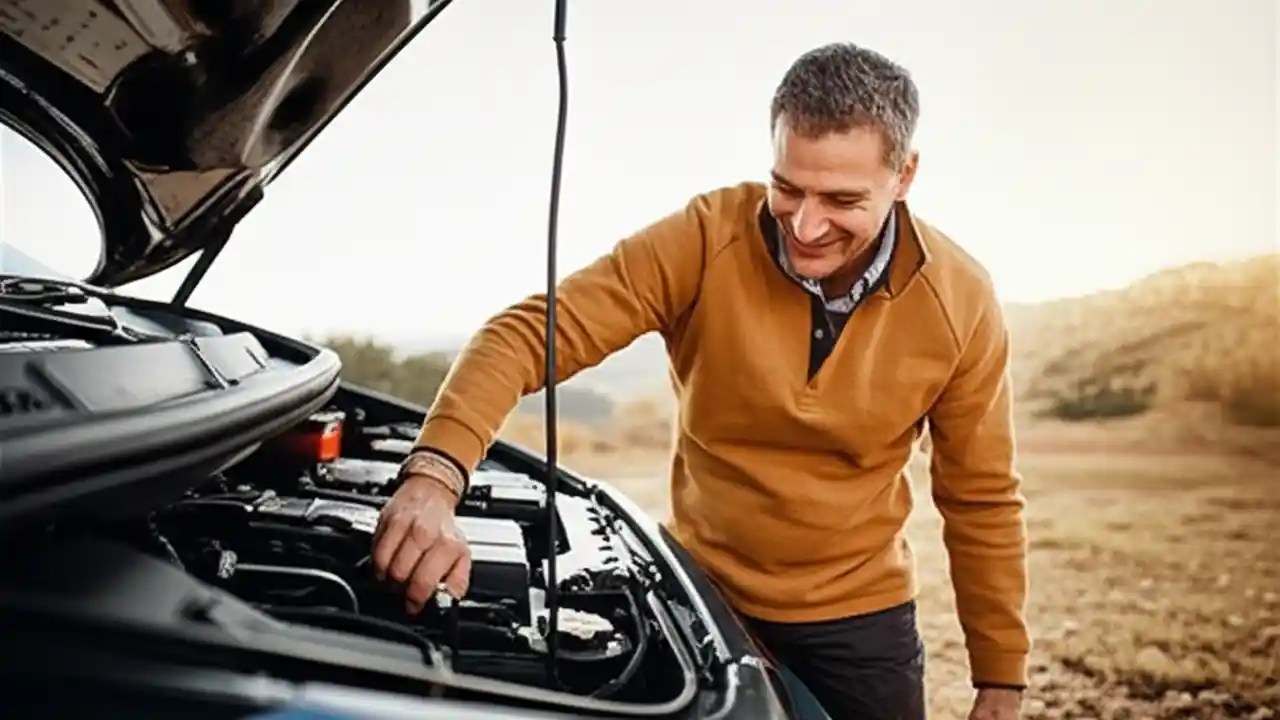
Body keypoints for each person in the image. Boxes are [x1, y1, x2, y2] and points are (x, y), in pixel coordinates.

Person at [370, 42, 1030, 720]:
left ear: (905, 174)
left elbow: (980, 497)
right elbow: (523, 335)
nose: (804, 225)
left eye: (841, 199)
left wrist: (1000, 678)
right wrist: (433, 478)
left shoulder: (961, 300)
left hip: (858, 617)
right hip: (699, 590)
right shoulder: (706, 235)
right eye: (787, 187)